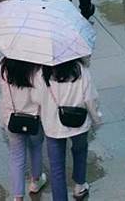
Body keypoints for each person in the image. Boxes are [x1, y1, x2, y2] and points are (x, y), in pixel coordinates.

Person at [37, 58, 102, 200]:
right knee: (80, 151)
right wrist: (97, 118)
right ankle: (79, 185)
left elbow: (37, 98)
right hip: (79, 122)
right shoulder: (81, 70)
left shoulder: (43, 72)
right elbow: (90, 99)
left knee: (57, 168)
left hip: (52, 125)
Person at [0, 57, 47, 200]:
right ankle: (36, 181)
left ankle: (18, 196)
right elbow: (40, 95)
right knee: (36, 147)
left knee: (16, 156)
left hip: (12, 118)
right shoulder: (37, 67)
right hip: (34, 118)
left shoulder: (3, 65)